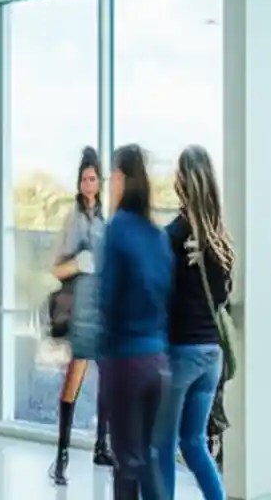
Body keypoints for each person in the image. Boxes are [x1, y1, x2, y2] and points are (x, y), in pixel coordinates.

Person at [154, 146, 231, 500]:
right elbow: (220, 299)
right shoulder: (220, 241)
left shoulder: (171, 236)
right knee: (194, 443)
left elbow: (159, 296)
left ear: (181, 182)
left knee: (162, 447)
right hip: (211, 356)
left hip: (181, 353)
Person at [98, 144, 173, 500]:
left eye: (113, 176)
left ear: (122, 180)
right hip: (158, 363)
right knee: (147, 458)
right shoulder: (158, 236)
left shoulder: (118, 229)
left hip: (125, 361)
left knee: (126, 464)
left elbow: (108, 298)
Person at [49, 147, 114, 485]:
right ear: (79, 182)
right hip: (82, 311)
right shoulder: (74, 220)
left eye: (93, 178)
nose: (89, 184)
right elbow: (56, 267)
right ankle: (60, 456)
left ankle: (102, 445)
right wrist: (79, 263)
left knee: (107, 379)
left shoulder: (105, 218)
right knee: (74, 378)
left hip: (102, 308)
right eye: (84, 178)